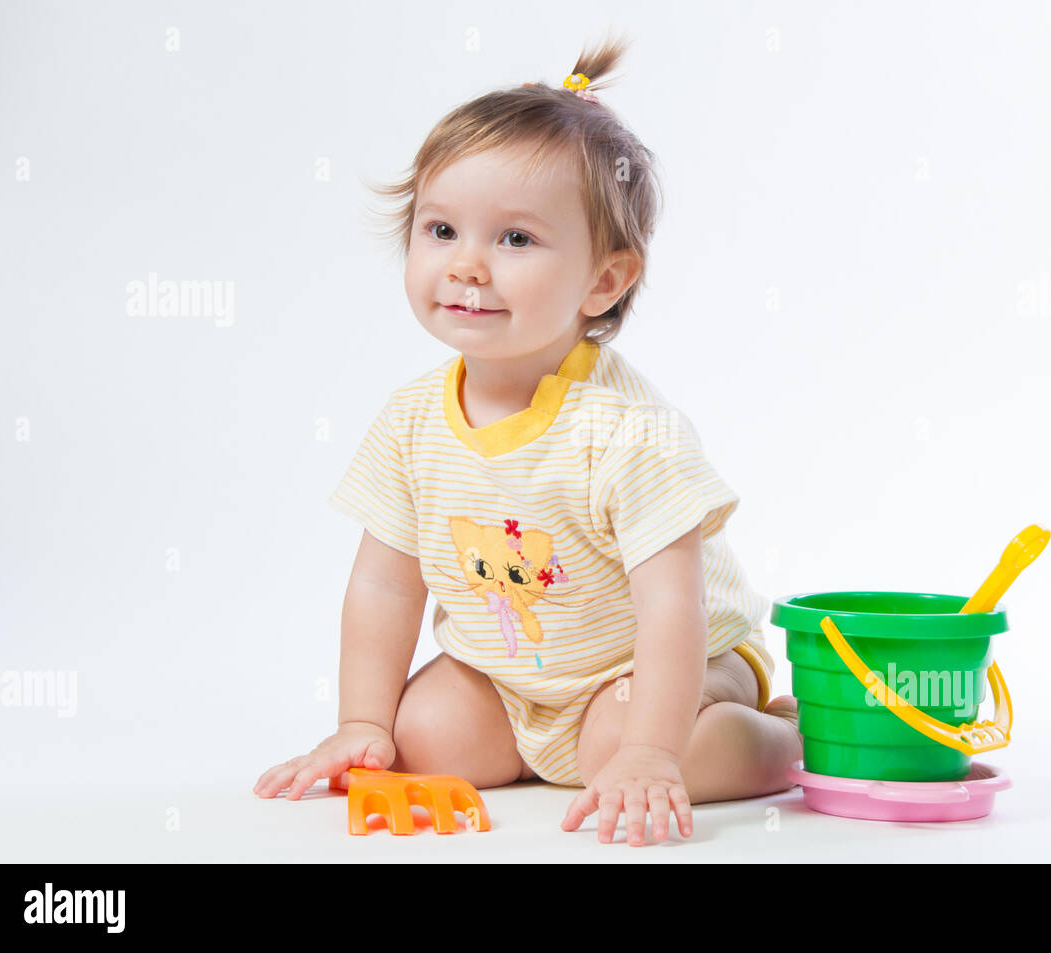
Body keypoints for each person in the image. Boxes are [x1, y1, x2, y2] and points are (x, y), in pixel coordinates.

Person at [254, 34, 802, 846]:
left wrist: (653, 751)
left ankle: (787, 734)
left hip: (657, 672)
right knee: (424, 738)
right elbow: (384, 587)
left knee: (623, 746)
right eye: (441, 230)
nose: (468, 265)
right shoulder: (412, 422)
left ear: (604, 280)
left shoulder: (626, 431)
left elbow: (669, 608)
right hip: (511, 675)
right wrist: (360, 721)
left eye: (514, 240)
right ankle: (543, 747)